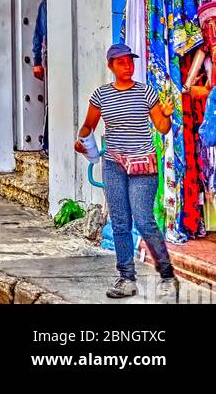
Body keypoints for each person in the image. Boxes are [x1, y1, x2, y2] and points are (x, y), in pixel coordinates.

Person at [75, 43, 179, 301]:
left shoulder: (146, 93)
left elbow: (163, 128)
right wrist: (82, 143)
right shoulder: (100, 96)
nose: (127, 66)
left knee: (144, 220)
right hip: (113, 165)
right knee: (120, 223)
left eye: (130, 61)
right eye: (121, 62)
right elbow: (88, 126)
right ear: (110, 66)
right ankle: (126, 278)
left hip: (143, 165)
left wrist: (166, 115)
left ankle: (167, 274)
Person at [32, 0, 48, 152]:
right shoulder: (45, 6)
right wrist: (36, 61)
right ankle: (47, 144)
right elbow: (38, 34)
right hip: (50, 58)